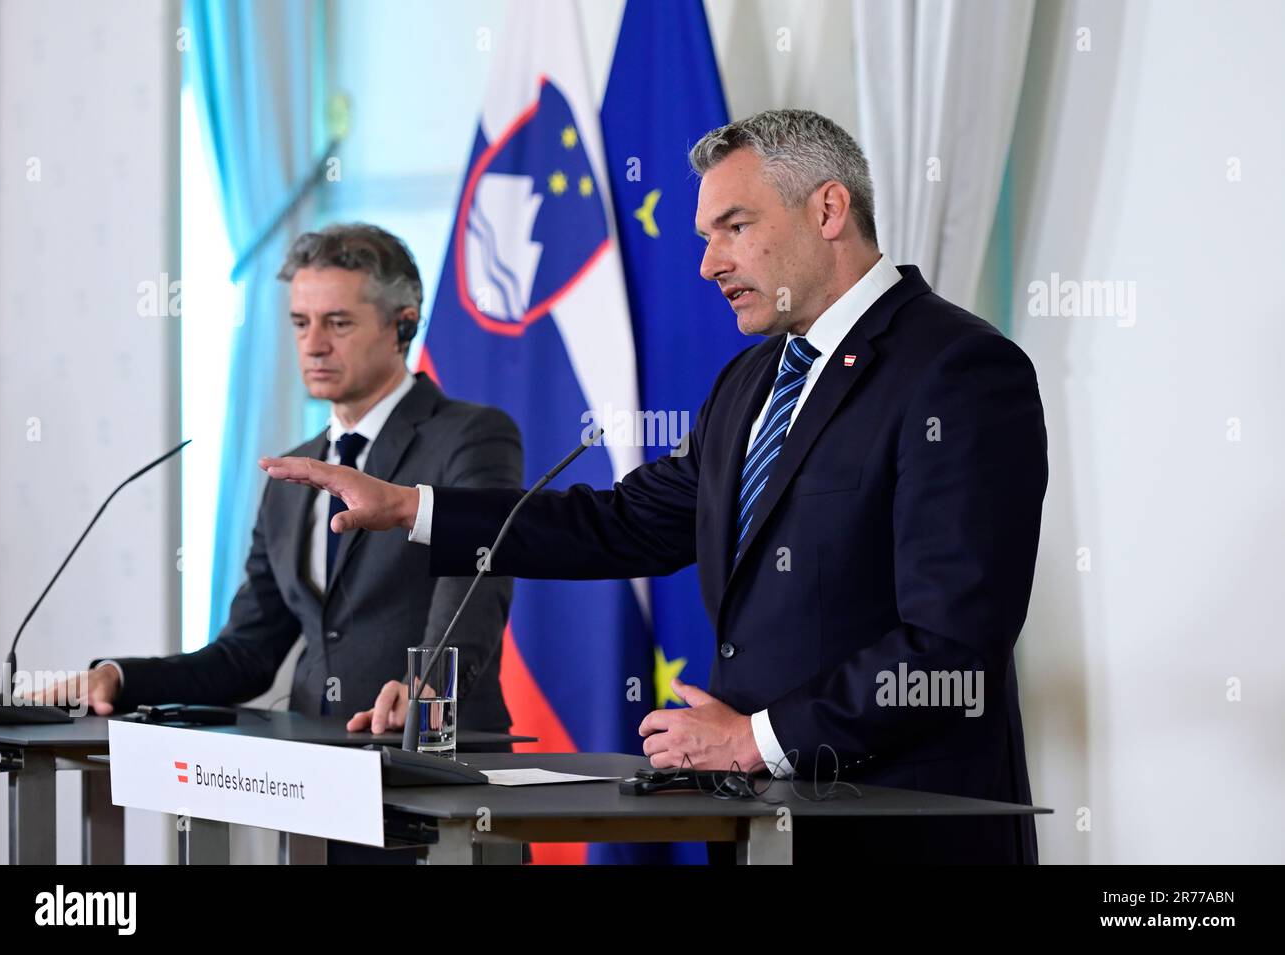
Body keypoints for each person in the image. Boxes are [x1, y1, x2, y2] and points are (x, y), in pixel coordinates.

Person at [262, 112, 1049, 865]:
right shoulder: (752, 380)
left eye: (734, 227)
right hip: (762, 828)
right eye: (706, 238)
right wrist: (413, 506)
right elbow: (624, 522)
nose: (709, 263)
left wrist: (756, 738)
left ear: (830, 209)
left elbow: (951, 644)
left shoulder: (958, 371)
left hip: (905, 833)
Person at [39, 223, 522, 740]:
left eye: (337, 324)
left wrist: (430, 686)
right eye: (300, 322)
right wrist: (120, 677)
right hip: (313, 771)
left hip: (438, 755)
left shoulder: (470, 437)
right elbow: (246, 654)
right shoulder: (293, 473)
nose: (313, 345)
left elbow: (476, 580)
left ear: (402, 327)